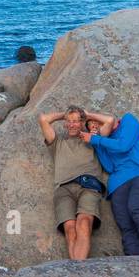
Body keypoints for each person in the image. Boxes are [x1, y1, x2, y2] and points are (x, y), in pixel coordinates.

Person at [81, 111, 139, 256]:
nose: (95, 127)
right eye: (92, 127)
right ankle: (135, 263)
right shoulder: (104, 142)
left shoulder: (128, 121)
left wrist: (96, 138)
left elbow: (123, 145)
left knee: (136, 207)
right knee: (125, 224)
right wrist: (97, 142)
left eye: (97, 123)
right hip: (117, 185)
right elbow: (109, 166)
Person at [38, 107, 106, 260]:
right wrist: (66, 114)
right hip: (64, 189)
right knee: (70, 229)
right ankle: (76, 268)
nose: (72, 124)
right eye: (69, 122)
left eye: (76, 121)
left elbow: (109, 121)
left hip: (88, 186)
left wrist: (85, 114)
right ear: (64, 123)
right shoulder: (58, 142)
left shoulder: (93, 140)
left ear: (82, 122)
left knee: (83, 223)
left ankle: (78, 269)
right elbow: (43, 119)